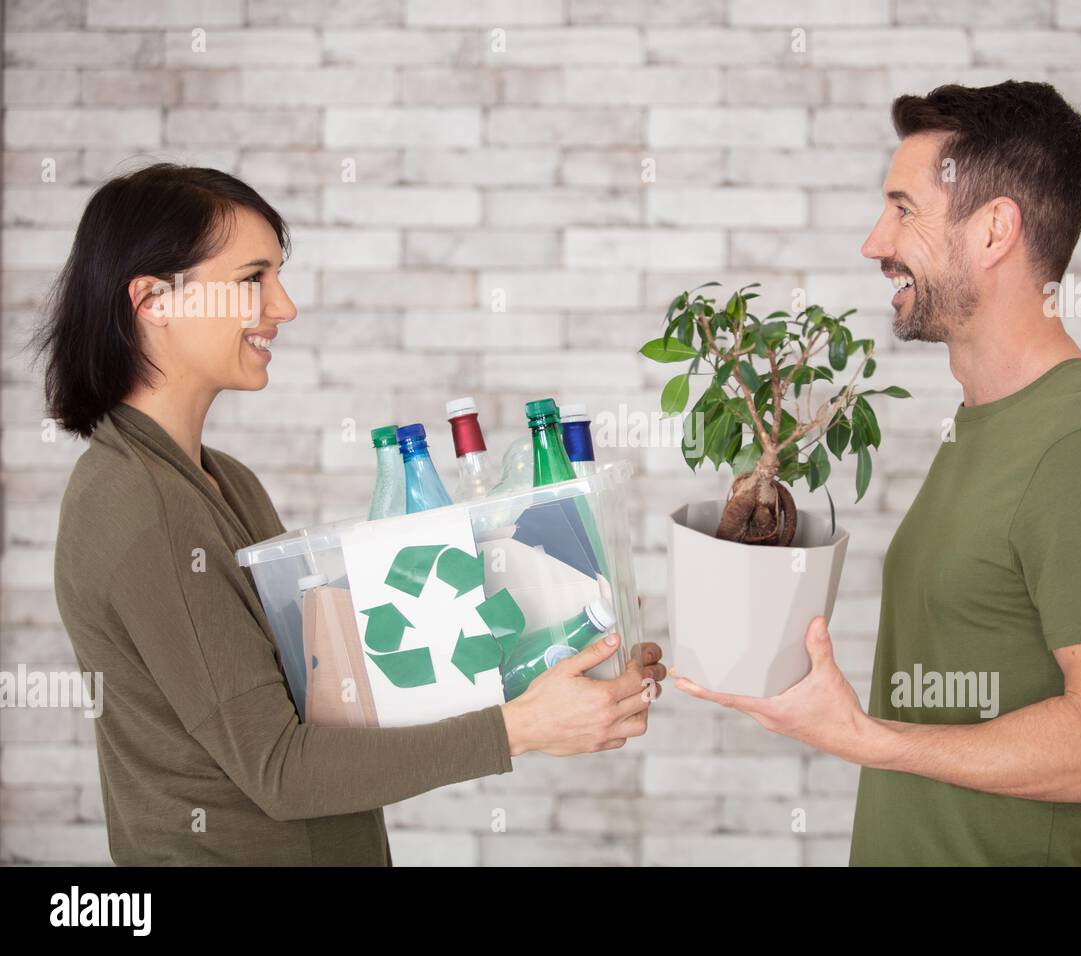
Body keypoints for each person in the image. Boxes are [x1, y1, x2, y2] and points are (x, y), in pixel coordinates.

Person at [37, 163, 664, 865]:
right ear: (155, 299)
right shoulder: (139, 506)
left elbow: (333, 700)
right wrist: (518, 728)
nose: (284, 306)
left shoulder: (221, 482)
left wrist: (556, 635)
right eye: (254, 278)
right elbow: (281, 769)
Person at [676, 81, 1081, 866]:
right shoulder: (989, 423)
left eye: (904, 209)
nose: (875, 241)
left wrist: (866, 737)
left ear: (994, 231)